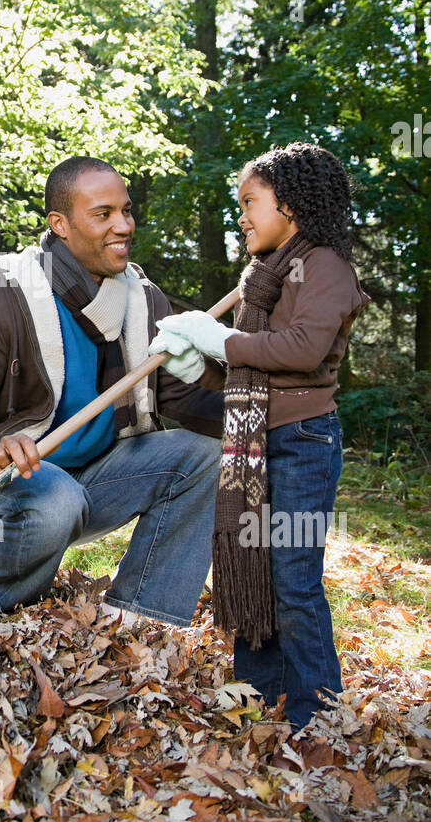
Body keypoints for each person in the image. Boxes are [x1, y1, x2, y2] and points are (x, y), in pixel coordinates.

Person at [0, 156, 225, 625]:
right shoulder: (2, 294)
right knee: (54, 495)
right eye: (103, 214)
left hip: (96, 481)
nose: (123, 225)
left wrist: (258, 400)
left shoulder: (144, 300)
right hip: (1, 493)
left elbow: (180, 399)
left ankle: (141, 617)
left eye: (126, 211)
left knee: (204, 458)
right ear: (59, 224)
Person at [151, 142, 370, 732]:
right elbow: (254, 368)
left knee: (293, 579)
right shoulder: (265, 275)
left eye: (251, 201)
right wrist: (199, 364)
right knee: (254, 567)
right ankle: (254, 701)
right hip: (255, 442)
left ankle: (315, 719)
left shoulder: (324, 264)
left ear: (292, 205)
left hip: (301, 442)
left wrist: (217, 338)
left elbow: (302, 350)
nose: (241, 216)